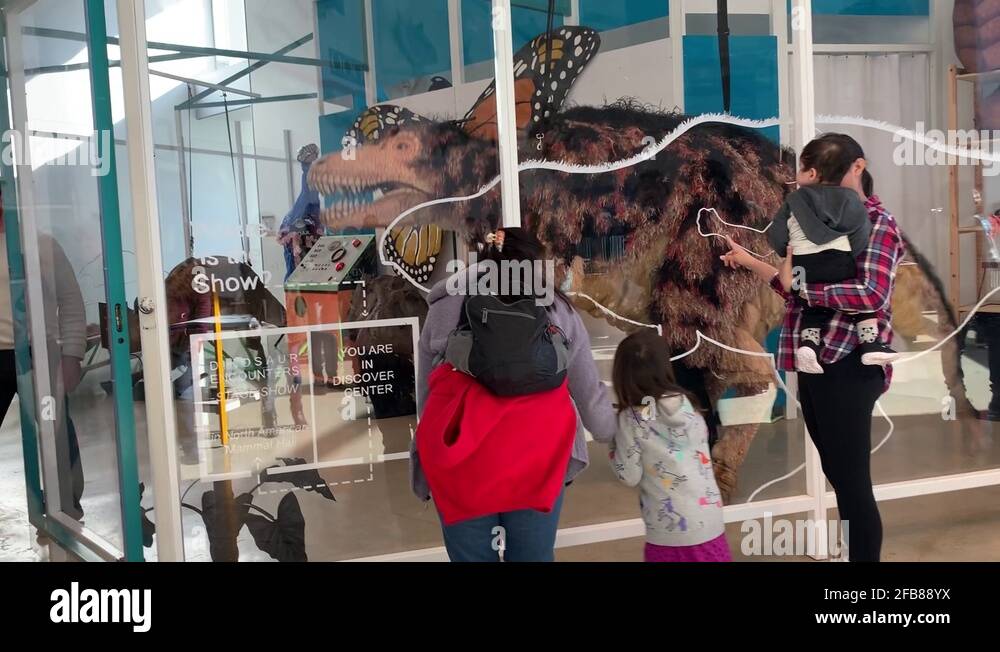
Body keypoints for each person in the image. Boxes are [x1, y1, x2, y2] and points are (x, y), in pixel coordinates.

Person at [722, 134, 904, 562]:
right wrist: (751, 262)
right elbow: (795, 288)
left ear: (857, 168)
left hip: (850, 364)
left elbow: (870, 295)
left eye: (824, 178)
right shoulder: (813, 218)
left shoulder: (877, 222)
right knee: (839, 475)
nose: (815, 190)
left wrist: (805, 289)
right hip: (812, 364)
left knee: (853, 483)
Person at [412, 227, 617, 562]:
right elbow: (589, 398)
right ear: (534, 264)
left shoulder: (445, 307)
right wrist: (617, 430)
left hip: (461, 466)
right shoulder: (557, 309)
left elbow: (427, 394)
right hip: (539, 461)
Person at [767, 146, 898, 373]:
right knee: (862, 310)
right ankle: (870, 343)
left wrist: (785, 252)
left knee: (809, 308)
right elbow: (859, 228)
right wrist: (852, 251)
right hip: (837, 261)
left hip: (803, 265)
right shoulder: (849, 200)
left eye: (800, 168)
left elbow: (777, 234)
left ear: (812, 174)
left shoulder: (793, 200)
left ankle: (809, 344)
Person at [0, 183, 87, 519]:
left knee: (56, 433)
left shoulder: (41, 244)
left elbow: (70, 302)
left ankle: (67, 507)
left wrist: (72, 356)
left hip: (40, 352)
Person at [610, 330, 730, 562]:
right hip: (710, 525)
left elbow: (629, 475)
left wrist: (613, 446)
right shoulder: (689, 405)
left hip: (668, 534)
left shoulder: (631, 420)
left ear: (622, 375)